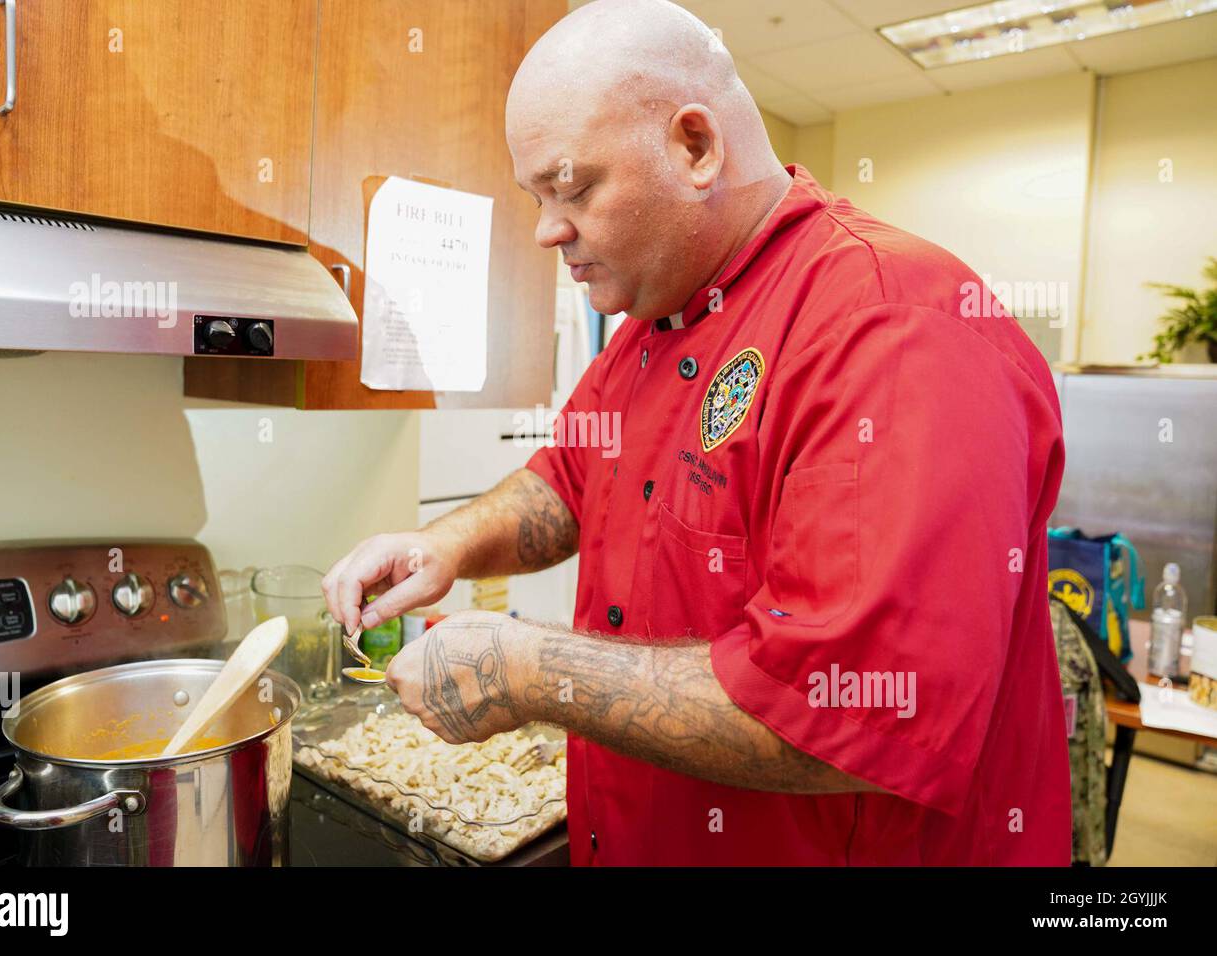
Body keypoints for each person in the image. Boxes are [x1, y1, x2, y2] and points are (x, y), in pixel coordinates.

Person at [322, 0, 1071, 865]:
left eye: (573, 187)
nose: (545, 230)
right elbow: (564, 482)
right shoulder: (658, 317)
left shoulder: (894, 330)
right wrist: (442, 543)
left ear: (695, 147)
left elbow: (840, 715)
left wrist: (530, 670)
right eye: (536, 196)